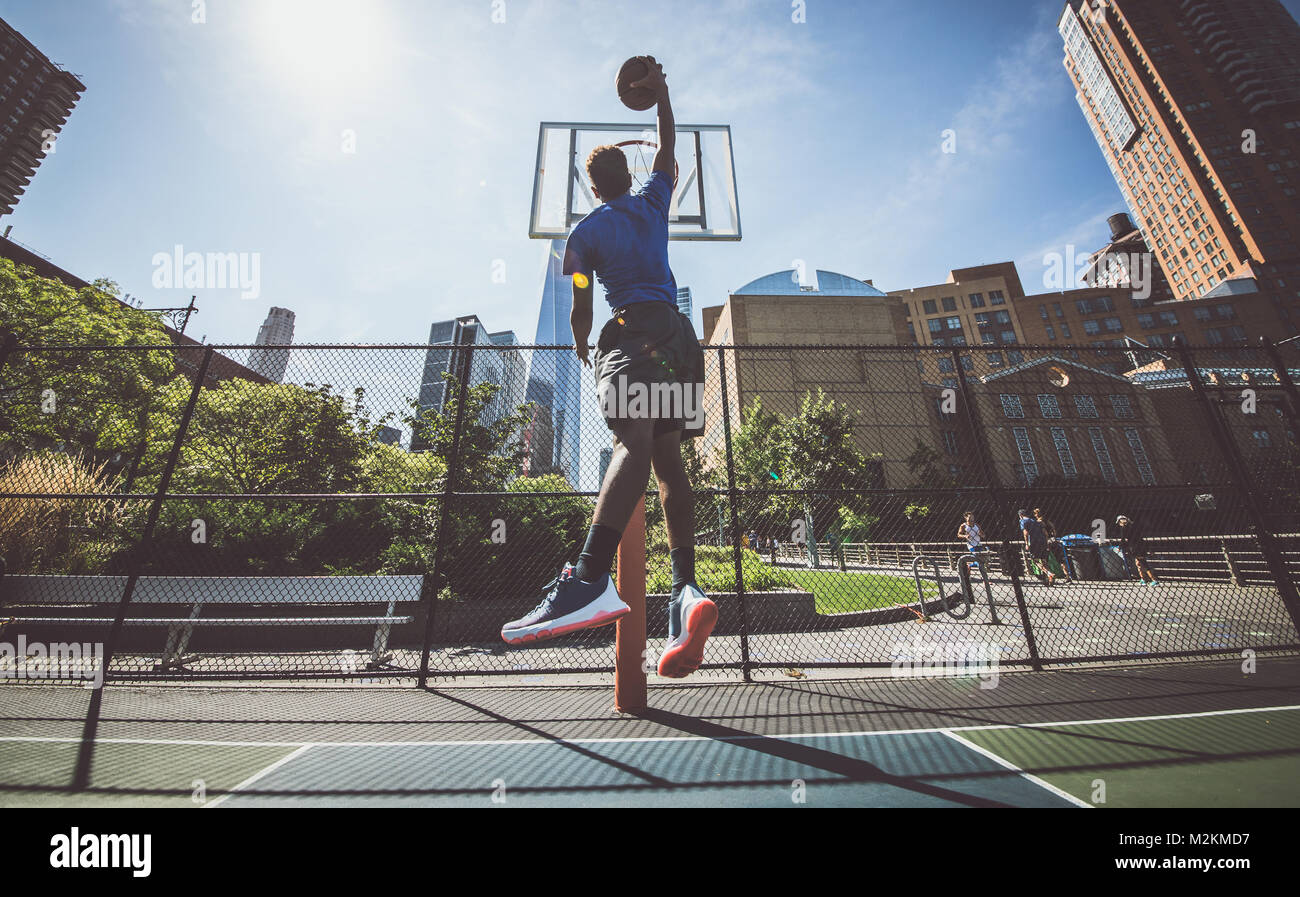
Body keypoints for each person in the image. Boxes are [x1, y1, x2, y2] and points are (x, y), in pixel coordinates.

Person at [501, 58, 716, 679]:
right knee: (671, 461)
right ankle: (686, 592)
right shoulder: (654, 199)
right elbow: (670, 146)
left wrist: (577, 342)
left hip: (633, 334)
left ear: (595, 187)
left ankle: (589, 578)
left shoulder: (585, 234)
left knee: (633, 443)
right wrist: (665, 96)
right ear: (632, 173)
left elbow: (580, 299)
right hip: (680, 343)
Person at [1116, 515, 1159, 585]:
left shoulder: (1124, 528)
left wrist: (1120, 547)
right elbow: (1140, 537)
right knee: (1139, 563)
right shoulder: (1133, 526)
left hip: (1135, 547)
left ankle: (1153, 579)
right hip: (1140, 545)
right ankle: (1143, 579)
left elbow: (1123, 539)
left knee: (1143, 563)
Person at [1018, 508, 1056, 586]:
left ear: (1020, 515)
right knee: (1043, 559)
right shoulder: (1034, 521)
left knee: (1035, 560)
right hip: (1042, 541)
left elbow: (1025, 533)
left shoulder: (1023, 521)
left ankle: (1049, 573)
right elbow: (1045, 532)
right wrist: (1046, 541)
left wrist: (1027, 544)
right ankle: (1048, 578)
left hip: (1033, 542)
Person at [1034, 507, 1070, 583]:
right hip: (1053, 540)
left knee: (1044, 560)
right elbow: (1054, 530)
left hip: (1046, 542)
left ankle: (1050, 576)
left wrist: (1046, 541)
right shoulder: (1048, 521)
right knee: (1060, 559)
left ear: (1036, 514)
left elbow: (1045, 533)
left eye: (1035, 514)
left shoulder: (1039, 522)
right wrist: (1054, 537)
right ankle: (1067, 576)